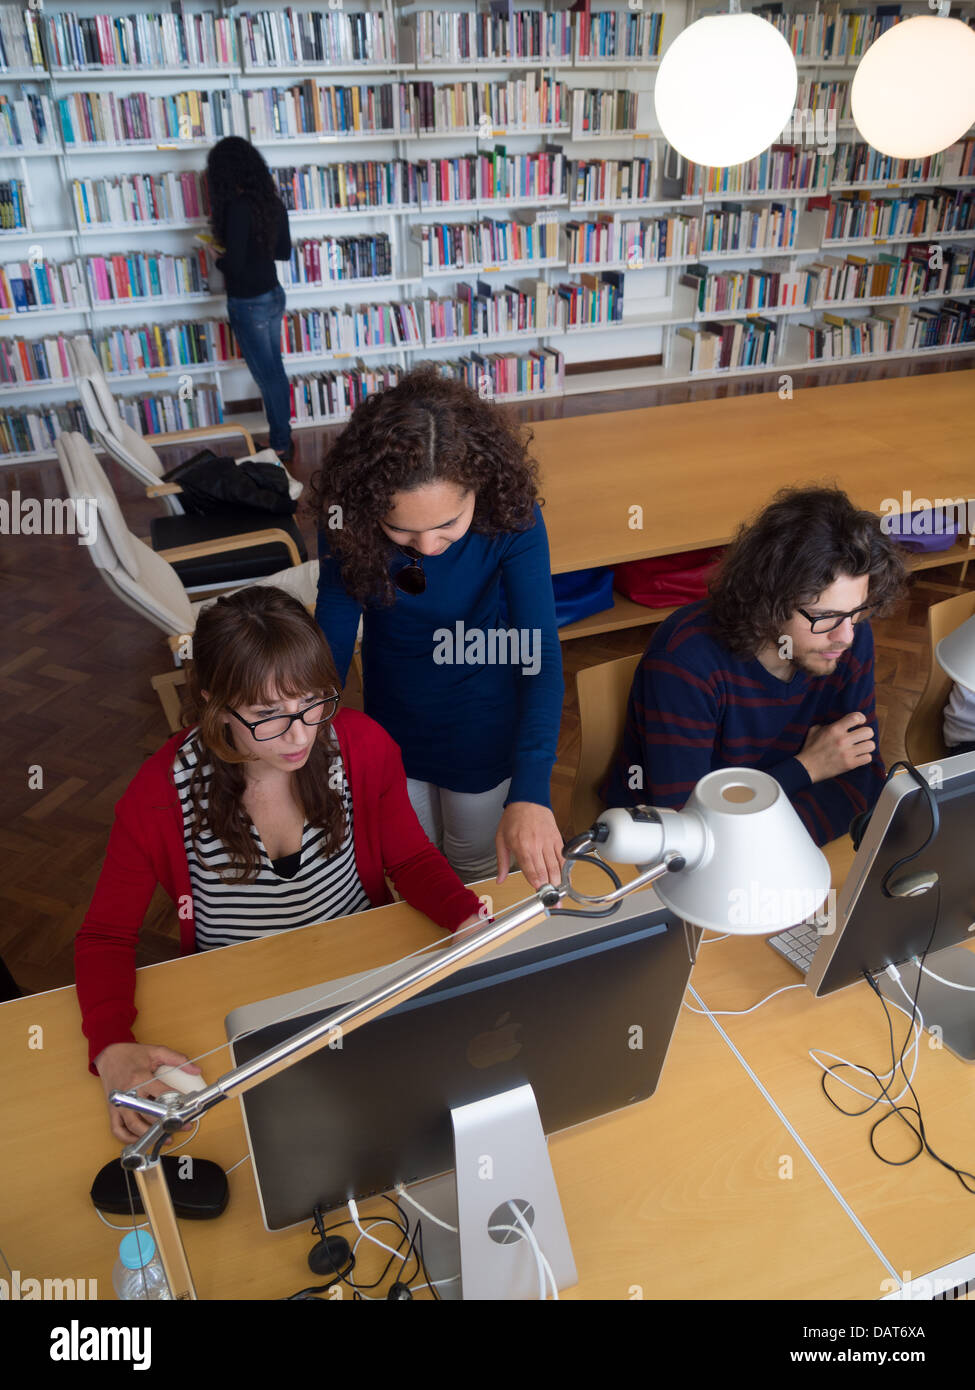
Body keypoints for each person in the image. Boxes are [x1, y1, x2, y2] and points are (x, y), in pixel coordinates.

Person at [76, 586, 484, 1143]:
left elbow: (410, 859)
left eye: (312, 702)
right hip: (242, 1004)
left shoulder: (362, 747)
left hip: (358, 978)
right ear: (216, 705)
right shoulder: (159, 793)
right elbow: (104, 936)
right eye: (267, 715)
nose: (299, 734)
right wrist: (111, 1045)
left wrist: (463, 913)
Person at [310, 369, 565, 890]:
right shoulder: (346, 520)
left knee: (474, 871)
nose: (427, 546)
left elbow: (539, 658)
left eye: (449, 523)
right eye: (402, 529)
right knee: (412, 869)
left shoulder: (513, 516)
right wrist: (306, 731)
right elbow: (330, 640)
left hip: (481, 725)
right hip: (392, 721)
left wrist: (532, 789)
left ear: (479, 487)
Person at [603, 485, 907, 847]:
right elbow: (688, 826)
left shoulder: (845, 635)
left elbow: (866, 779)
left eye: (857, 612)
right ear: (770, 601)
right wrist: (807, 769)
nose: (846, 637)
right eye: (824, 616)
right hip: (658, 844)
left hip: (774, 848)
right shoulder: (684, 661)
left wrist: (765, 835)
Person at [205, 135, 294, 463]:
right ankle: (283, 437)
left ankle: (281, 443)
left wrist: (216, 255)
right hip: (273, 295)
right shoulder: (270, 202)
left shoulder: (239, 208)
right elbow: (283, 252)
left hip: (250, 301)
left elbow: (236, 267)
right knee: (275, 371)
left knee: (267, 375)